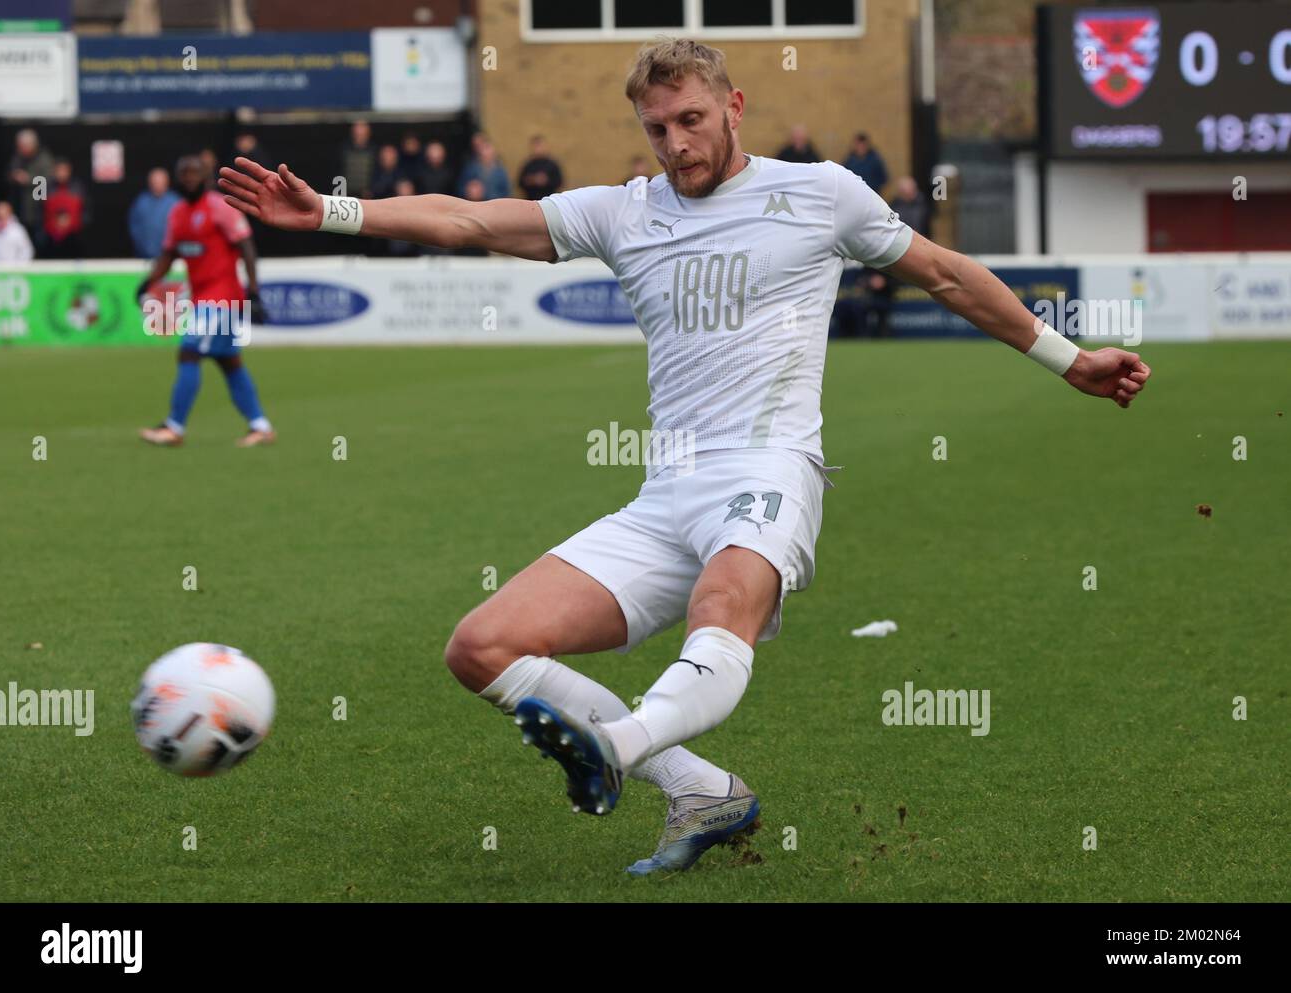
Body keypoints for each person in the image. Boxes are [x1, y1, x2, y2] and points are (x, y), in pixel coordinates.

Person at [219, 37, 1151, 875]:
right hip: (666, 494)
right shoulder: (625, 213)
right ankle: (701, 786)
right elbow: (472, 221)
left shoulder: (821, 193)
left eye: (692, 120)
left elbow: (947, 274)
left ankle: (616, 751)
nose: (676, 144)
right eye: (657, 128)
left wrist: (1068, 359)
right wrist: (334, 212)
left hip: (770, 470)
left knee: (722, 607)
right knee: (482, 646)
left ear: (734, 106)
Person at [136, 155, 275, 448]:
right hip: (203, 297)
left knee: (189, 351)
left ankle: (174, 426)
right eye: (183, 173)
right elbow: (169, 254)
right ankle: (260, 426)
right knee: (229, 362)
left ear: (206, 177)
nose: (188, 178)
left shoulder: (220, 207)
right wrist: (148, 283)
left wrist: (254, 290)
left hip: (223, 296)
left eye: (194, 173)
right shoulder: (177, 213)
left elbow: (246, 245)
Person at [5, 129, 54, 241]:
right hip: (19, 208)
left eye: (23, 146)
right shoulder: (17, 158)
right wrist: (13, 176)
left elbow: (49, 180)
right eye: (19, 146)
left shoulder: (43, 158)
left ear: (32, 144)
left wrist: (29, 179)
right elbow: (9, 175)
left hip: (39, 210)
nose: (21, 148)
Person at [128, 167, 181, 259]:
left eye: (160, 181)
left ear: (167, 182)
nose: (157, 184)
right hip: (144, 257)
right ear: (149, 182)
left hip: (170, 258)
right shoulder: (141, 202)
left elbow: (182, 228)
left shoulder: (176, 202)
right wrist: (143, 247)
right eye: (154, 181)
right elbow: (134, 227)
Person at [41, 160, 86, 258]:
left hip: (73, 235)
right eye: (59, 171)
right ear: (54, 172)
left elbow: (86, 209)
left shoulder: (78, 186)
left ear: (69, 172)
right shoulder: (45, 187)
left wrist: (74, 223)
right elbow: (40, 210)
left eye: (64, 171)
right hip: (51, 236)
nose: (62, 174)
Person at [455, 133, 510, 200]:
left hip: (493, 206)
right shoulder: (471, 168)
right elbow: (460, 188)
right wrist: (469, 191)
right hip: (475, 204)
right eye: (482, 150)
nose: (485, 153)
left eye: (487, 149)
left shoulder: (500, 172)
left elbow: (506, 192)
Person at [517, 135, 563, 200]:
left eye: (540, 145)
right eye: (536, 146)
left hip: (549, 200)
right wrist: (531, 180)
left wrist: (546, 181)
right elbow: (520, 182)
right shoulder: (528, 165)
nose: (538, 148)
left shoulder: (552, 164)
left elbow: (559, 182)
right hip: (531, 200)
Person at [340, 121, 376, 199]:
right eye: (357, 134)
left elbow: (378, 174)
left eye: (362, 134)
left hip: (367, 196)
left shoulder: (374, 152)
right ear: (352, 133)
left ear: (368, 134)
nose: (360, 136)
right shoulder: (344, 151)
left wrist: (371, 190)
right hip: (346, 195)